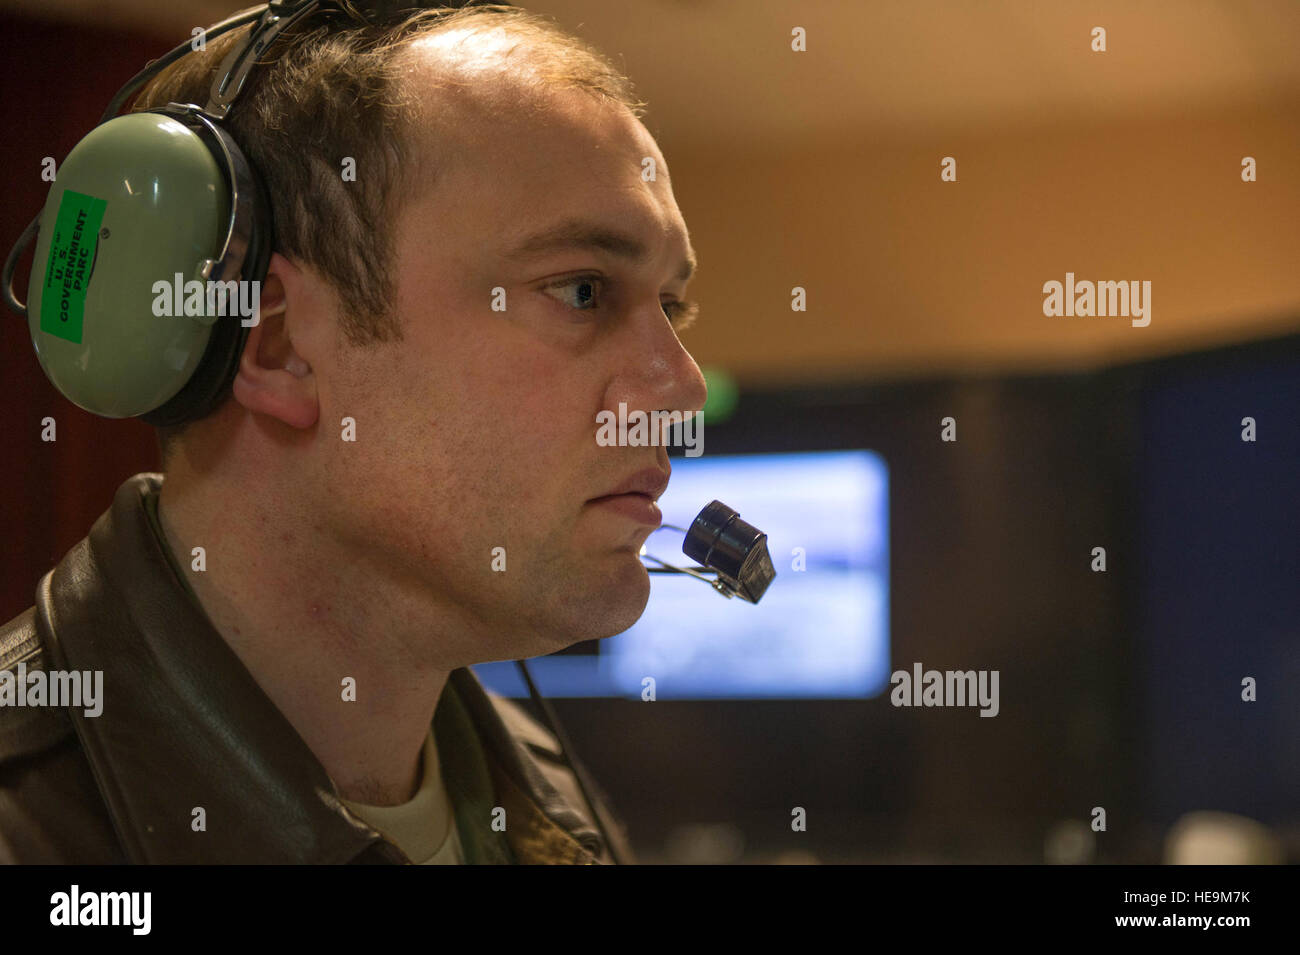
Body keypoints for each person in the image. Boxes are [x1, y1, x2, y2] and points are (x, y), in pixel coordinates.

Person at [0, 1, 707, 864]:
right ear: (280, 345)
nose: (682, 389)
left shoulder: (558, 804)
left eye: (671, 305)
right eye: (584, 291)